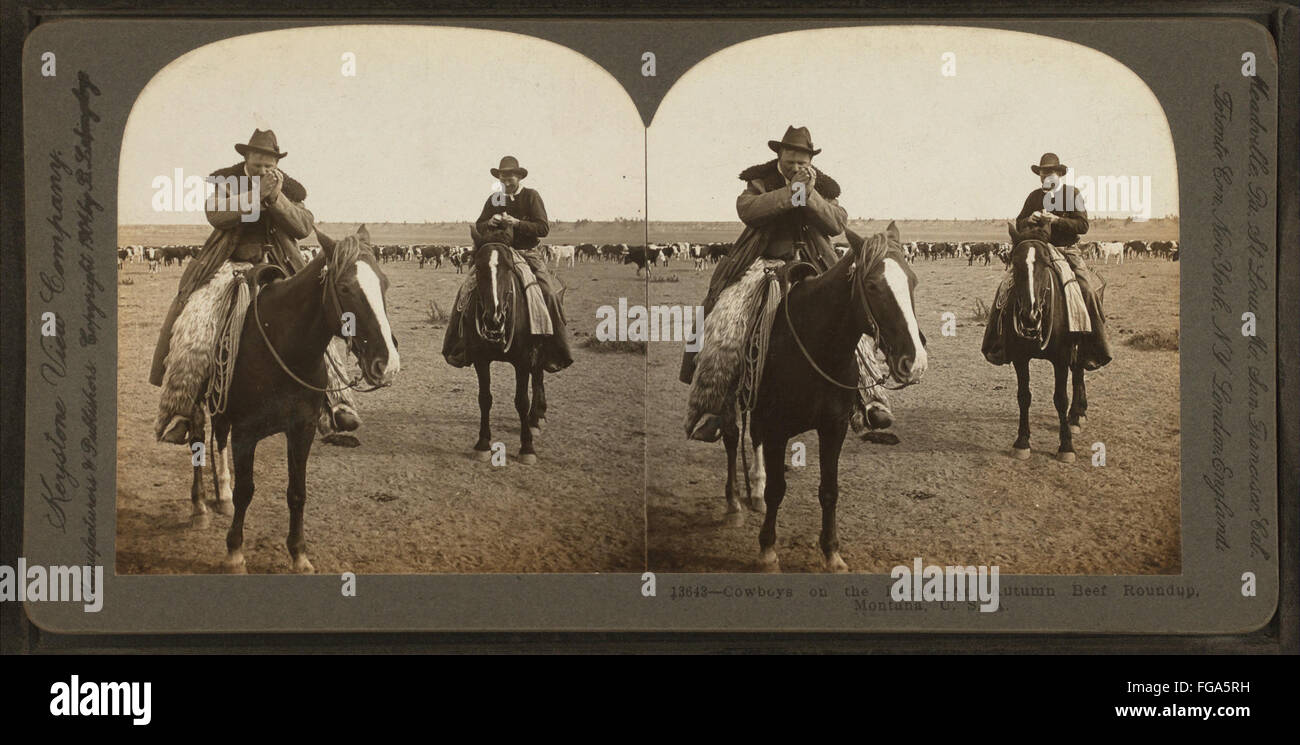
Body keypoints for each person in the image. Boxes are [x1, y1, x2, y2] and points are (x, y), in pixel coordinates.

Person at [680, 126, 895, 442]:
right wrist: (792, 192)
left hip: (816, 266)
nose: (796, 167)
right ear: (779, 157)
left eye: (801, 162)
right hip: (764, 265)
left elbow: (836, 222)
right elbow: (748, 210)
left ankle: (870, 400)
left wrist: (808, 194)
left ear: (810, 161)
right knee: (726, 318)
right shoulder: (759, 182)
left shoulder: (822, 186)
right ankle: (713, 407)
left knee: (849, 320)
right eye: (790, 161)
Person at [149, 129, 362, 444]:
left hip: (282, 267)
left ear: (276, 163)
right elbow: (217, 216)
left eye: (268, 165)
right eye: (257, 164)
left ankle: (337, 403)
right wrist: (254, 194)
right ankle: (180, 410)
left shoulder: (289, 189)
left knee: (317, 319)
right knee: (197, 321)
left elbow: (303, 227)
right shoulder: (224, 182)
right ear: (245, 159)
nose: (263, 170)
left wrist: (275, 197)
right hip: (229, 265)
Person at [442, 156, 573, 372]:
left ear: (519, 176)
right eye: (503, 176)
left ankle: (555, 350)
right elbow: (479, 224)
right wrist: (489, 223)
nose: (507, 180)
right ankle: (458, 347)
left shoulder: (531, 196)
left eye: (510, 176)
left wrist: (517, 223)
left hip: (526, 253)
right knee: (465, 290)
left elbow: (543, 228)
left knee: (548, 293)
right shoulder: (495, 198)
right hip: (497, 253)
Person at [985, 152, 1112, 369]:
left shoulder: (1072, 194)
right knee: (1005, 288)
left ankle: (1094, 348)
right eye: (1043, 172)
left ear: (1059, 174)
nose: (1046, 176)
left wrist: (1056, 220)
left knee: (1086, 290)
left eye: (1050, 172)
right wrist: (1030, 219)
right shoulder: (1034, 196)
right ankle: (997, 344)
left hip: (1067, 251)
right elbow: (1019, 222)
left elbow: (1083, 226)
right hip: (1038, 250)